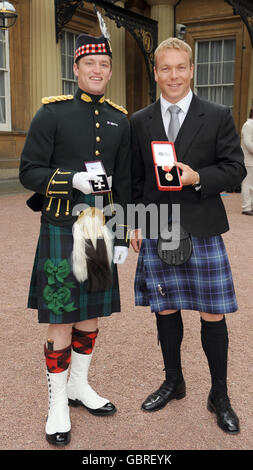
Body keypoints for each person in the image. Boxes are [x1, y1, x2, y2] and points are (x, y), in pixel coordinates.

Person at [130, 37, 246, 434]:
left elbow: (235, 168)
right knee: (165, 310)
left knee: (212, 312)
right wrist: (132, 222)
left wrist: (198, 177)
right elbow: (134, 179)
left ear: (192, 70)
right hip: (158, 227)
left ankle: (220, 394)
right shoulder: (139, 120)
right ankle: (174, 381)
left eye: (181, 67)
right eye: (166, 68)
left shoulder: (216, 114)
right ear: (156, 73)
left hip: (202, 227)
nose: (173, 75)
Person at [19, 33, 131, 446]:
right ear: (76, 69)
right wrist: (70, 180)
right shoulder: (52, 114)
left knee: (90, 316)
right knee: (61, 317)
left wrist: (119, 233)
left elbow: (126, 183)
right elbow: (29, 171)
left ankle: (78, 387)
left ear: (110, 70)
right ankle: (57, 405)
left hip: (99, 229)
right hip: (61, 228)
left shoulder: (122, 118)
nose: (98, 70)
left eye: (104, 64)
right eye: (90, 64)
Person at [241, 108, 253, 215]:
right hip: (248, 160)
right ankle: (246, 207)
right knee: (247, 184)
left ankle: (250, 205)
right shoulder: (248, 125)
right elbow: (248, 143)